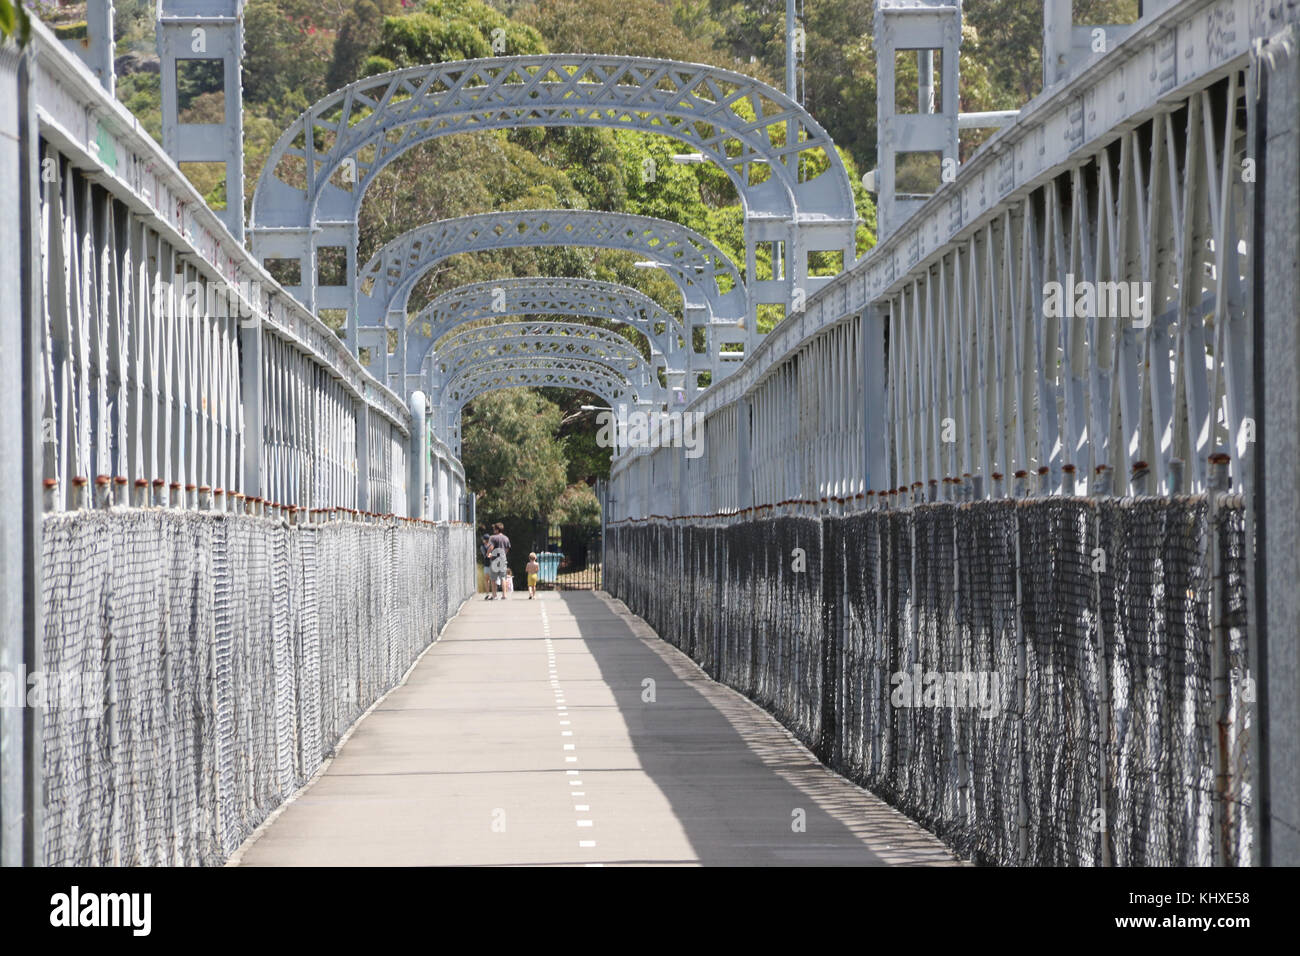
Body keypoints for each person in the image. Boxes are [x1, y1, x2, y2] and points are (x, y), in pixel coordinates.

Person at [487, 522, 511, 600]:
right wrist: (503, 554)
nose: (493, 530)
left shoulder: (493, 538)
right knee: (503, 577)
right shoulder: (506, 538)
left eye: (494, 529)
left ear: (497, 529)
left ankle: (494, 595)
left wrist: (488, 554)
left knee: (493, 578)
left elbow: (491, 547)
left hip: (495, 559)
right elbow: (507, 548)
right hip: (503, 559)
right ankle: (504, 595)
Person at [481, 534, 495, 599]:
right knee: (490, 580)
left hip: (488, 564)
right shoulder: (491, 545)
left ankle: (489, 594)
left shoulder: (483, 547)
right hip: (490, 564)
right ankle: (491, 594)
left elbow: (485, 555)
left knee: (488, 580)